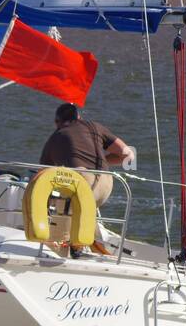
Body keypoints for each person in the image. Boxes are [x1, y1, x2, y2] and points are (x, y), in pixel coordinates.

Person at [39, 103, 132, 250]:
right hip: (107, 183)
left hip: (83, 180)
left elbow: (42, 174)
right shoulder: (95, 127)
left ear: (57, 122)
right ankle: (90, 243)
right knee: (85, 206)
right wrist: (102, 161)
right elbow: (128, 154)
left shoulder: (56, 136)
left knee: (60, 202)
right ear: (78, 117)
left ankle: (61, 249)